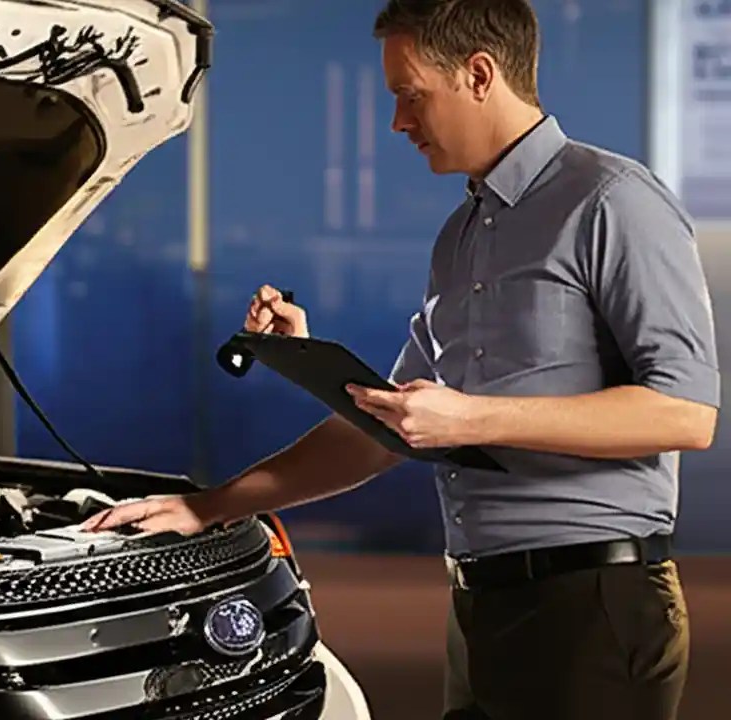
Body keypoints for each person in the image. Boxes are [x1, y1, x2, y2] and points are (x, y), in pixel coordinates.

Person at [83, 1, 719, 718]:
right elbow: (382, 432)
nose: (398, 123)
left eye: (409, 96)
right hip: (482, 609)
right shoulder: (462, 236)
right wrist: (211, 506)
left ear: (480, 74)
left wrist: (470, 417)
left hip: (597, 609)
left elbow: (686, 412)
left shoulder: (612, 201)